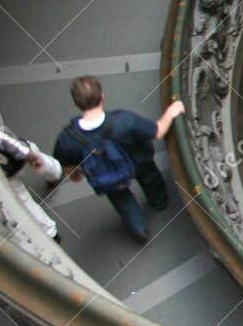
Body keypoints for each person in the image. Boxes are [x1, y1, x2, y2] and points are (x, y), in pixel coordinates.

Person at [51, 77, 185, 242]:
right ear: (102, 97)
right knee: (151, 180)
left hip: (107, 174)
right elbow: (157, 131)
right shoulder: (125, 120)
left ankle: (139, 228)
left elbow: (65, 162)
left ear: (77, 103)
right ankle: (159, 202)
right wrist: (171, 112)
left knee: (121, 200)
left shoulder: (67, 138)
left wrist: (75, 174)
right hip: (139, 163)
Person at [0, 123, 63, 241]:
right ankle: (56, 173)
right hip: (22, 161)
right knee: (43, 162)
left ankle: (50, 232)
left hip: (6, 176)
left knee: (24, 201)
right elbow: (13, 144)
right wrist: (31, 156)